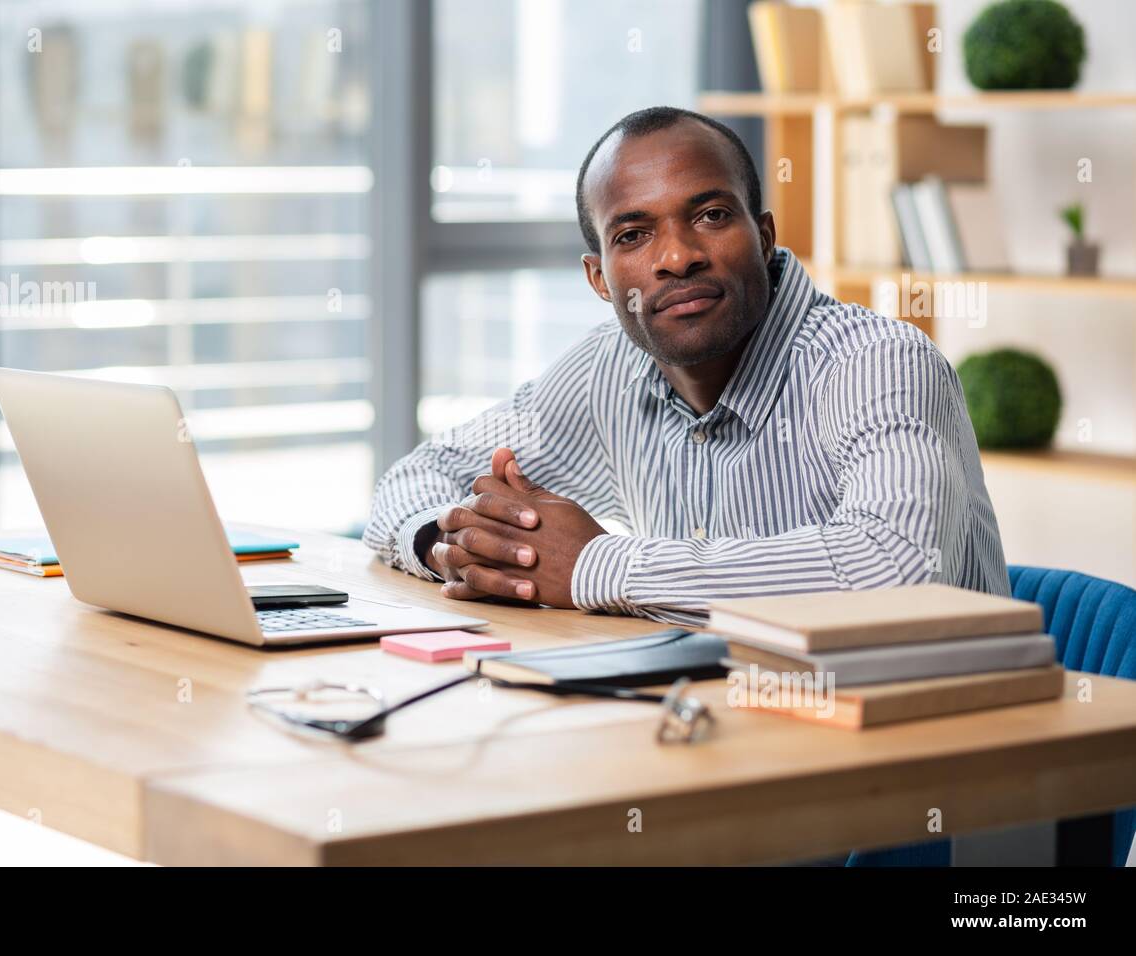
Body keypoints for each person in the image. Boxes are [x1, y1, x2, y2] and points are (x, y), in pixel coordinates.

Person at [363, 106, 1009, 626]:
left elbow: (894, 570)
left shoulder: (879, 365)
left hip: (932, 758)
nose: (677, 257)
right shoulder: (606, 368)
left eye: (710, 215)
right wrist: (458, 548)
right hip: (719, 732)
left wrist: (594, 565)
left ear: (763, 235)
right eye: (633, 235)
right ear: (599, 277)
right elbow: (419, 475)